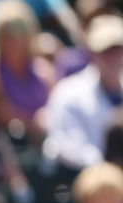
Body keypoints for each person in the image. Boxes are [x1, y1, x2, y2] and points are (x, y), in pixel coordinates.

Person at [43, 13, 123, 170]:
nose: (113, 57)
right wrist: (111, 169)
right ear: (92, 53)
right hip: (84, 181)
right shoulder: (68, 93)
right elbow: (69, 147)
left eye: (118, 49)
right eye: (106, 50)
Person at [0, 0, 56, 144]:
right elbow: (3, 115)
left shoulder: (44, 70)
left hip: (44, 141)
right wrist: (31, 124)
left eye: (19, 31)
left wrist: (46, 116)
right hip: (6, 143)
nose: (14, 40)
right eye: (6, 34)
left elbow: (55, 106)